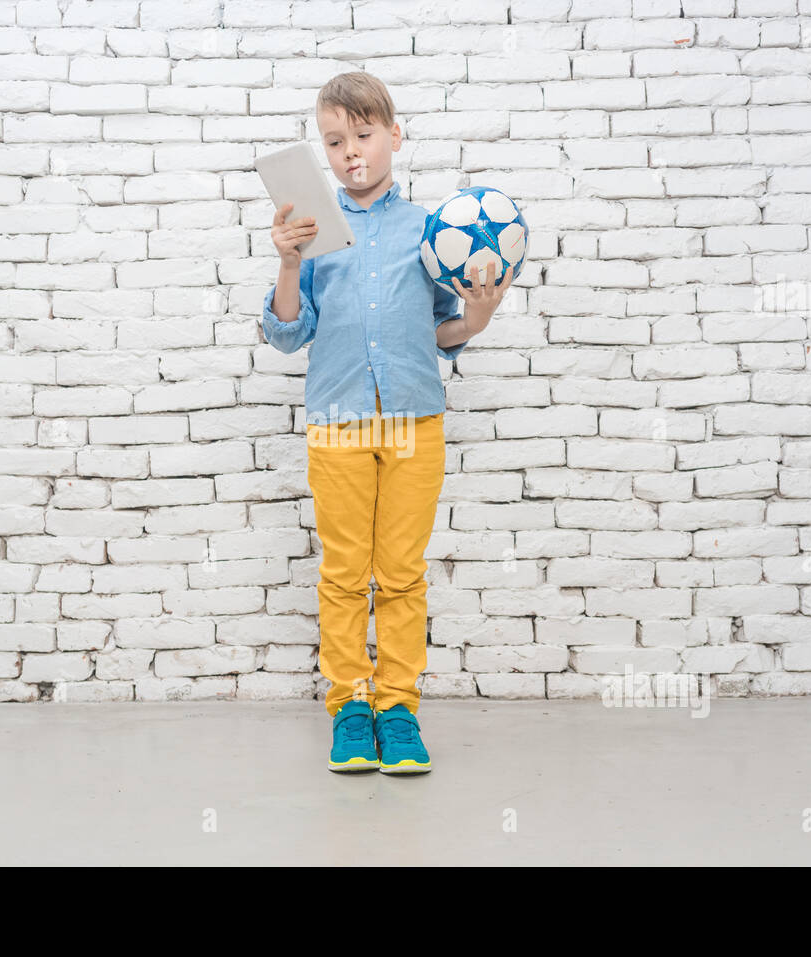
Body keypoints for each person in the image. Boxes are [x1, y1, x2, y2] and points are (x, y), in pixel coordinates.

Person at [262, 71, 512, 774]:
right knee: (345, 572)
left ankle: (397, 708)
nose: (351, 153)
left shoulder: (432, 232)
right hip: (338, 423)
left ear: (394, 137)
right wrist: (287, 262)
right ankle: (350, 704)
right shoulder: (312, 234)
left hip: (414, 423)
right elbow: (287, 334)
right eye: (335, 141)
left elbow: (444, 330)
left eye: (364, 135)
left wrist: (481, 315)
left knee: (401, 573)